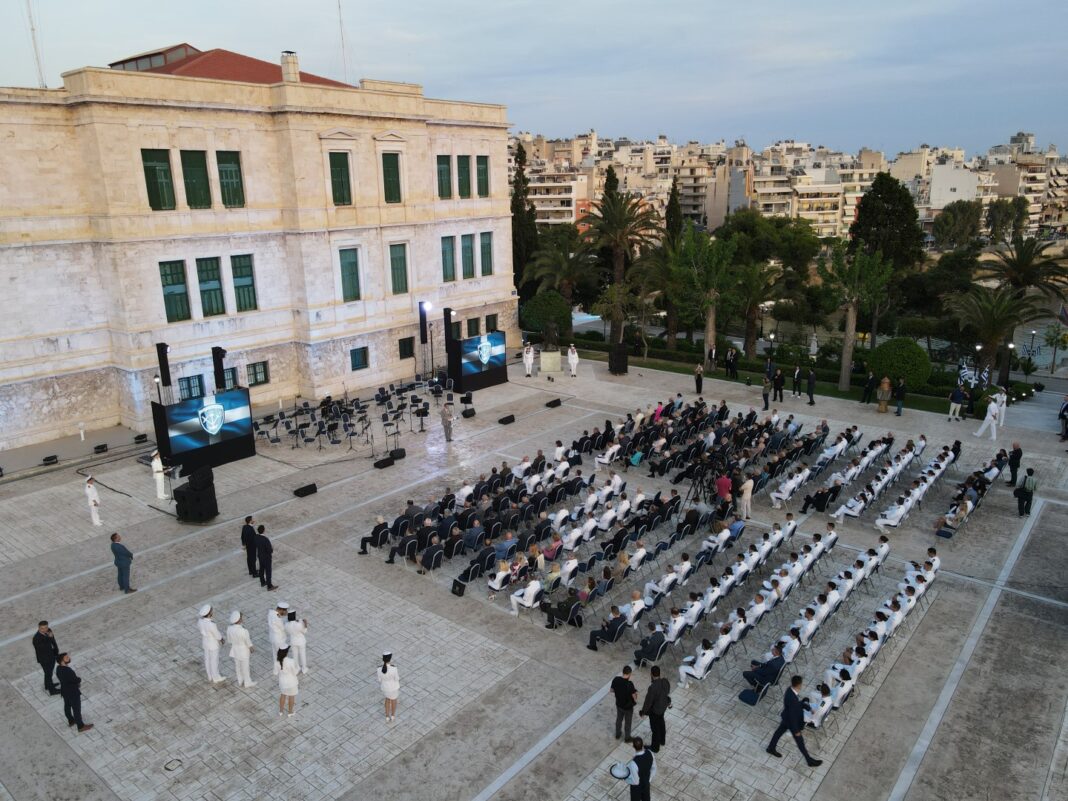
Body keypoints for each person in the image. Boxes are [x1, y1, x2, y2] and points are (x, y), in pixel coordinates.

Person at [766, 675, 822, 767]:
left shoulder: (790, 690)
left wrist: (808, 707)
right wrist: (796, 731)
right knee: (800, 741)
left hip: (786, 718)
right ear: (799, 685)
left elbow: (797, 704)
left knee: (778, 733)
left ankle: (771, 748)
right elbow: (793, 715)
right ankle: (809, 760)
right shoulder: (792, 698)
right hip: (790, 721)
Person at [56, 652, 93, 732]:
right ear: (62, 661)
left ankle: (71, 720)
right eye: (66, 657)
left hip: (65, 691)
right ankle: (80, 726)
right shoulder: (67, 671)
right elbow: (75, 680)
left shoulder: (58, 668)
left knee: (67, 706)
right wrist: (79, 679)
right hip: (73, 692)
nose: (68, 658)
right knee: (76, 709)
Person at [639, 665, 671, 753]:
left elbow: (648, 702)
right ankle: (662, 740)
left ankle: (655, 748)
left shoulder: (652, 687)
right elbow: (667, 692)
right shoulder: (665, 681)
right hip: (663, 707)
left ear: (651, 674)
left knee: (655, 729)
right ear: (659, 673)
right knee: (661, 723)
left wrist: (643, 712)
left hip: (655, 711)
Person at [226, 611, 255, 688]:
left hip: (235, 650)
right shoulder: (243, 630)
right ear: (239, 620)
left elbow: (229, 640)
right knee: (245, 667)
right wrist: (251, 648)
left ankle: (240, 681)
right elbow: (247, 641)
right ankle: (247, 682)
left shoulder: (229, 628)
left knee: (238, 666)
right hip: (243, 651)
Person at [197, 604, 225, 683]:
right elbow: (216, 634)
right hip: (212, 644)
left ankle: (209, 676)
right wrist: (221, 639)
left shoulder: (200, 621)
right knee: (214, 661)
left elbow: (199, 628)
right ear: (209, 614)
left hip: (205, 642)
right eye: (211, 611)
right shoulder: (212, 624)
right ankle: (216, 677)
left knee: (207, 659)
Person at [32, 620, 61, 695]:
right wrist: (49, 637)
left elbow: (53, 641)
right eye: (42, 628)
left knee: (49, 673)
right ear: (39, 628)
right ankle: (52, 691)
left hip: (52, 655)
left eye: (46, 627)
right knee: (48, 674)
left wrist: (56, 651)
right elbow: (43, 648)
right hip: (45, 659)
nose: (45, 629)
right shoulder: (36, 638)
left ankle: (47, 685)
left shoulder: (49, 631)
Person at [611, 665, 638, 740]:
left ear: (623, 672)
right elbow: (634, 698)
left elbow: (611, 690)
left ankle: (618, 733)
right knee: (628, 722)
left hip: (619, 704)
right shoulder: (630, 684)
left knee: (619, 719)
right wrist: (635, 694)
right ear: (629, 674)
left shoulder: (616, 679)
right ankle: (627, 737)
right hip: (628, 707)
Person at [625, 736, 656, 801]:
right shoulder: (650, 753)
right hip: (646, 783)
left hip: (637, 788)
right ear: (642, 744)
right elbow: (654, 768)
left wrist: (625, 779)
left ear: (633, 746)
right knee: (646, 798)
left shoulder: (633, 764)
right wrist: (649, 779)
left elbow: (635, 781)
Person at [276, 646, 299, 717]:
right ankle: (290, 712)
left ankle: (281, 711)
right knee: (291, 696)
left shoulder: (276, 662)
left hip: (282, 683)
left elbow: (275, 672)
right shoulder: (291, 661)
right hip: (291, 683)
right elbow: (295, 672)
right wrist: (298, 668)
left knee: (283, 695)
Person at [378, 651, 400, 721]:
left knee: (387, 700)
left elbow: (379, 680)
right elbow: (397, 678)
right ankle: (392, 715)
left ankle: (387, 716)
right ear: (390, 659)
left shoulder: (379, 669)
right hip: (393, 688)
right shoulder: (394, 669)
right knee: (394, 701)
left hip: (385, 688)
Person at [268, 603, 289, 675]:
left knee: (275, 654)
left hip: (272, 638)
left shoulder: (271, 613)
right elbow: (283, 628)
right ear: (280, 610)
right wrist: (287, 622)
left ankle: (275, 670)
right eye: (284, 611)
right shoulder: (277, 618)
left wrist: (281, 617)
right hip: (279, 639)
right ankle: (282, 670)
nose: (285, 613)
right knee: (281, 655)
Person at [256, 524, 278, 590]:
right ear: (263, 530)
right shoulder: (265, 539)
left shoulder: (256, 537)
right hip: (266, 557)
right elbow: (269, 550)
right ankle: (269, 586)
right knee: (268, 571)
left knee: (261, 569)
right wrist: (272, 549)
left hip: (260, 556)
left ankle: (262, 582)